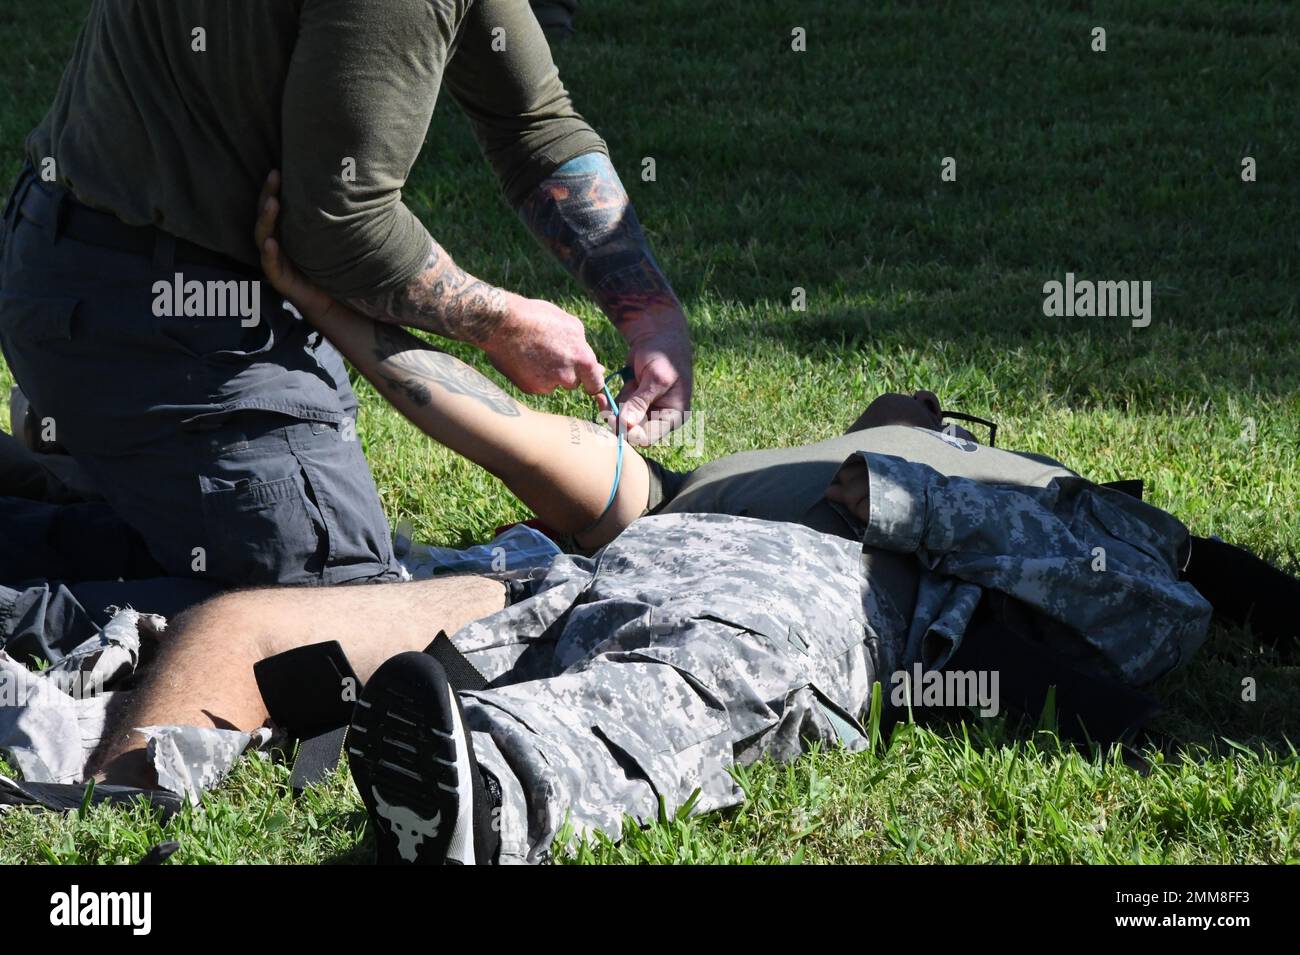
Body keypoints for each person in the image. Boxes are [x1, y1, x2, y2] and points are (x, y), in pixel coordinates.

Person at [70, 186, 1299, 863]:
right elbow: (475, 414)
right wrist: (326, 299)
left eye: (935, 413)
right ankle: (118, 806)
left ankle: (485, 793)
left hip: (829, 589)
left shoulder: (1039, 490)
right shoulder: (715, 474)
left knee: (692, 673)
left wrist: (921, 499)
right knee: (258, 626)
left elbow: (1162, 599)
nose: (917, 402)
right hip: (605, 566)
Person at [0, 0, 692, 594]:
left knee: (267, 550)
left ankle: (90, 456)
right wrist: (503, 321)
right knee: (340, 609)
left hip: (112, 275)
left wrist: (649, 313)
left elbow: (533, 120)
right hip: (157, 313)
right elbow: (337, 225)